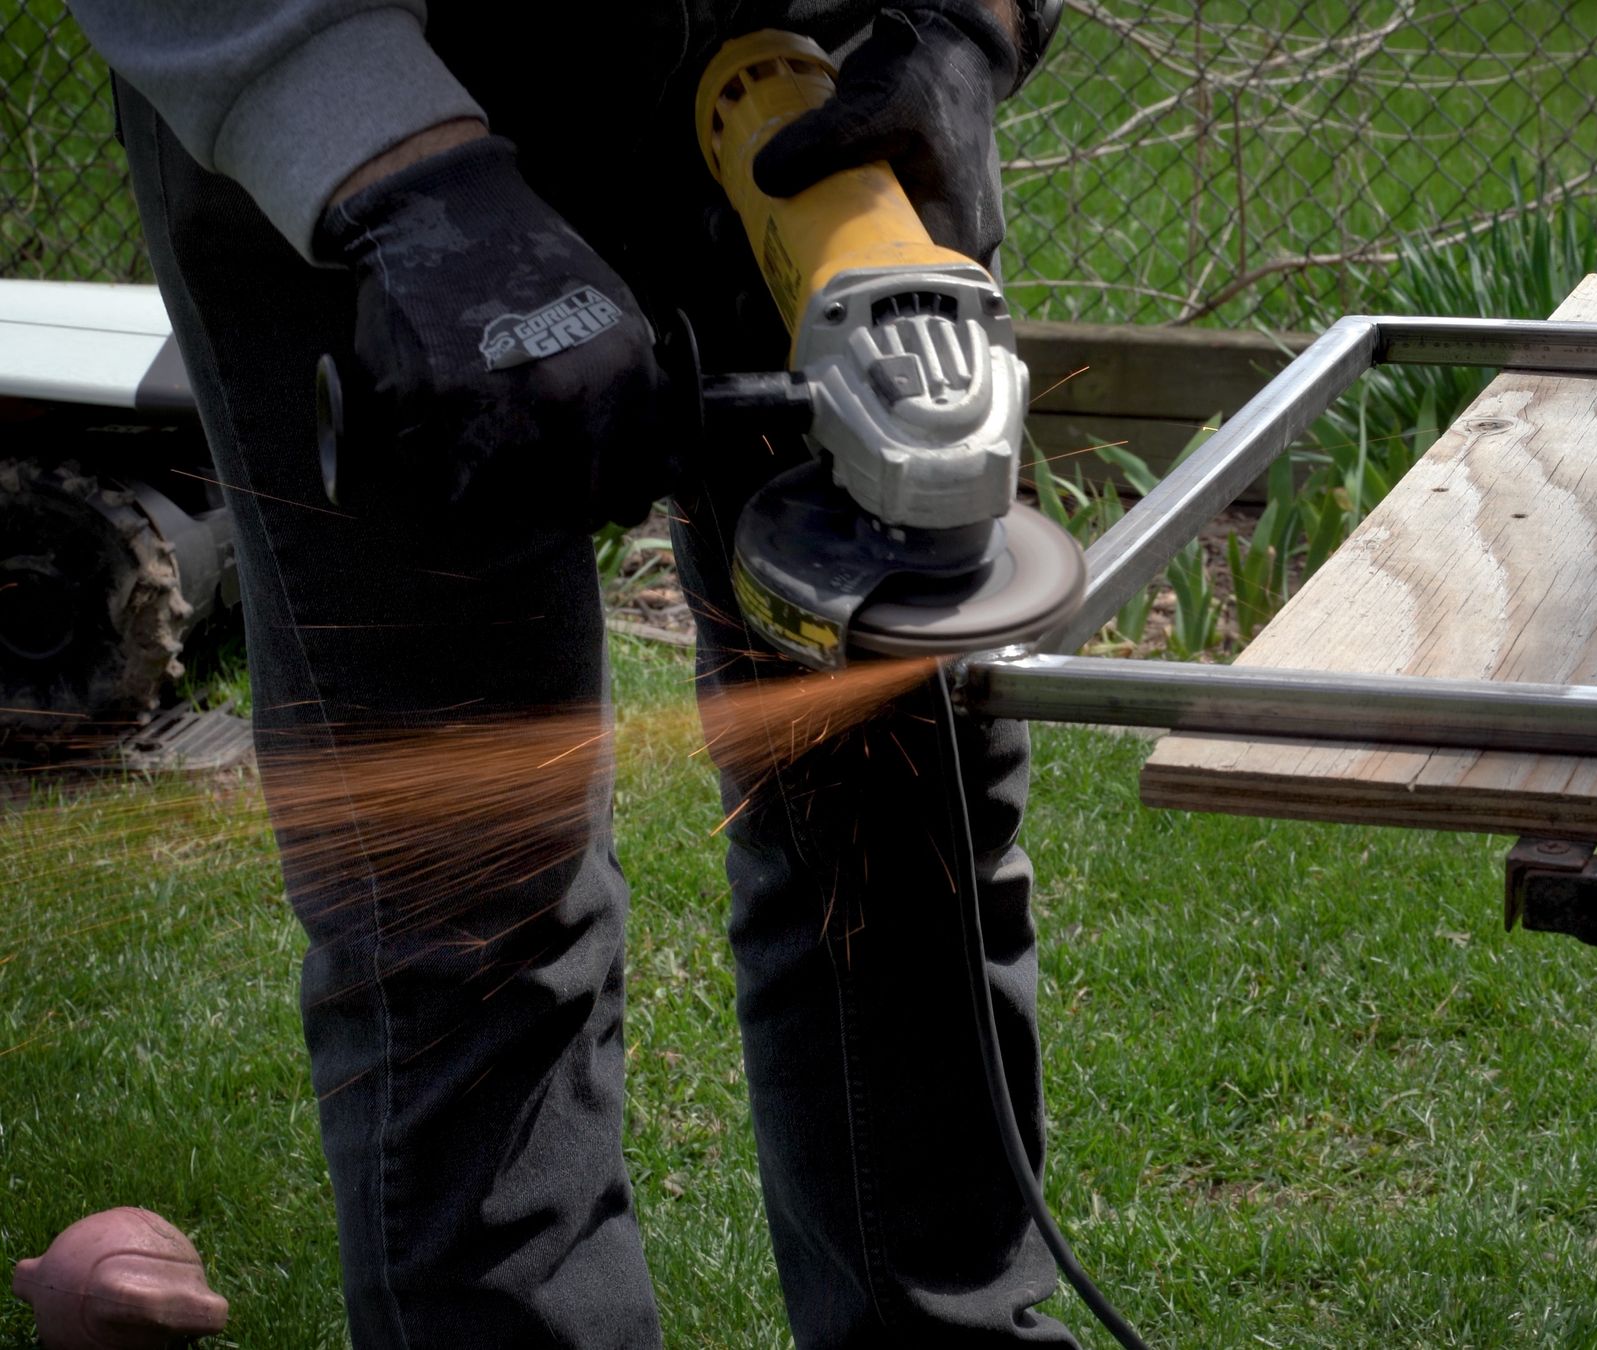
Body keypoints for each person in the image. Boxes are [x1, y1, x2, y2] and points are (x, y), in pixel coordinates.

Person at [64, 2, 1074, 1345]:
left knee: (904, 822)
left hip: (814, 73)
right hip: (357, 73)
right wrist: (388, 168)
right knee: (471, 895)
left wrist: (969, 19)